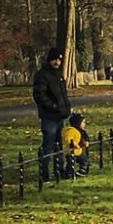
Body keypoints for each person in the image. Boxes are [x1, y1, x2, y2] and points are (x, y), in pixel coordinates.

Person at [32, 47, 72, 182]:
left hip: (60, 116)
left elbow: (62, 95)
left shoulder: (58, 75)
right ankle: (44, 173)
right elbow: (40, 95)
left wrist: (65, 108)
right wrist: (53, 107)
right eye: (55, 59)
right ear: (50, 60)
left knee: (60, 145)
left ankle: (59, 170)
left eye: (59, 60)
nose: (57, 62)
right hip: (49, 117)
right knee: (48, 146)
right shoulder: (42, 75)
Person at [61, 112, 90, 178]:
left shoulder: (82, 131)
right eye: (83, 122)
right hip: (71, 151)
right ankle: (68, 173)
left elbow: (86, 138)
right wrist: (74, 144)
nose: (84, 124)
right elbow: (68, 139)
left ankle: (82, 170)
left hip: (78, 151)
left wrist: (86, 142)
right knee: (70, 163)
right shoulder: (71, 131)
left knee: (84, 160)